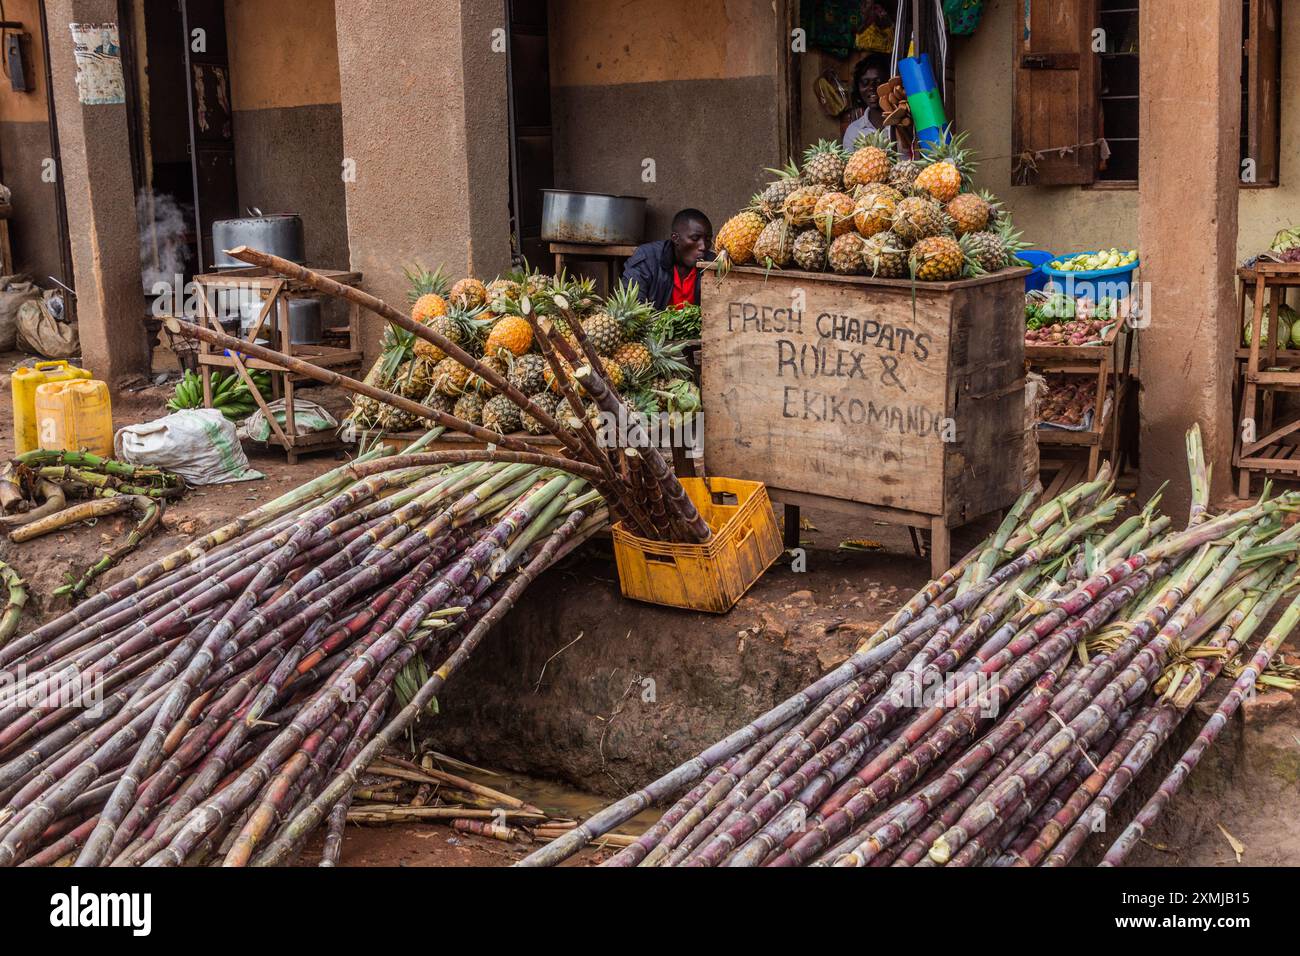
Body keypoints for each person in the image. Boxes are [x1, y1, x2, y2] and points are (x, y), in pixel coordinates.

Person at [622, 208, 713, 309]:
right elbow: (633, 309)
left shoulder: (713, 265)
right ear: (675, 238)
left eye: (708, 239)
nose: (703, 246)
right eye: (695, 238)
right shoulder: (647, 259)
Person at [841, 53, 890, 151]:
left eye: (878, 82)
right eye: (865, 83)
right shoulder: (853, 131)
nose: (871, 88)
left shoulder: (902, 125)